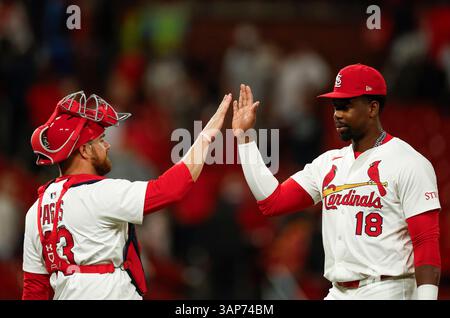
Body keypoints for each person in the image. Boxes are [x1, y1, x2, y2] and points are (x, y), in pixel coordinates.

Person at [232, 64, 441, 300]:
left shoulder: (408, 162)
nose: (337, 113)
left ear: (372, 108)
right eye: (335, 106)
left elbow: (426, 243)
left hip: (388, 289)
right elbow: (272, 201)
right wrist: (245, 139)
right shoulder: (329, 163)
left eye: (346, 106)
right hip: (337, 291)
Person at [22, 90, 232, 299]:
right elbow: (170, 189)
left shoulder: (36, 211)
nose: (107, 145)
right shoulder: (99, 193)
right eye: (100, 140)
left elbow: (35, 287)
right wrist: (206, 136)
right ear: (85, 150)